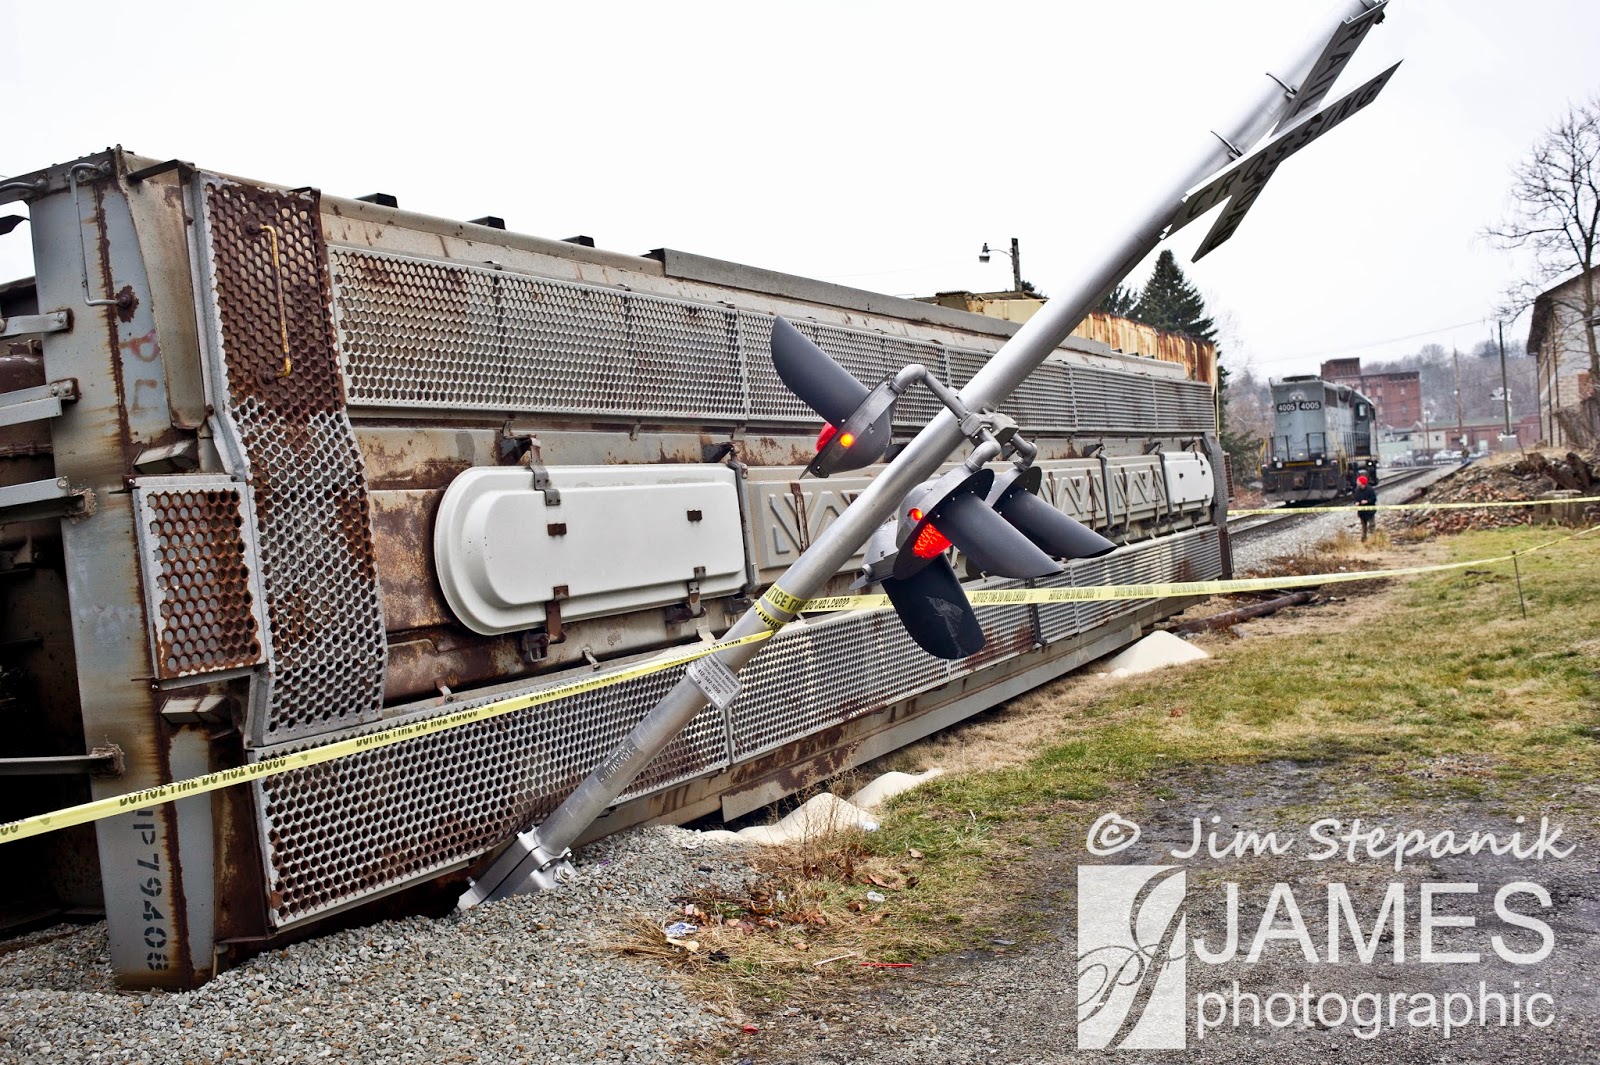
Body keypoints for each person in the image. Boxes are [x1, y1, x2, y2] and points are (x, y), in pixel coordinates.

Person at [1354, 474, 1377, 542]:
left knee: (1372, 525)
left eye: (1358, 481)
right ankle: (1364, 540)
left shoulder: (1370, 489)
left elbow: (1374, 499)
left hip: (1370, 511)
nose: (1356, 482)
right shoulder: (1357, 490)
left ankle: (1374, 539)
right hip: (1362, 512)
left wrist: (1367, 501)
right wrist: (1356, 502)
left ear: (1362, 482)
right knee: (1364, 527)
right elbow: (1355, 499)